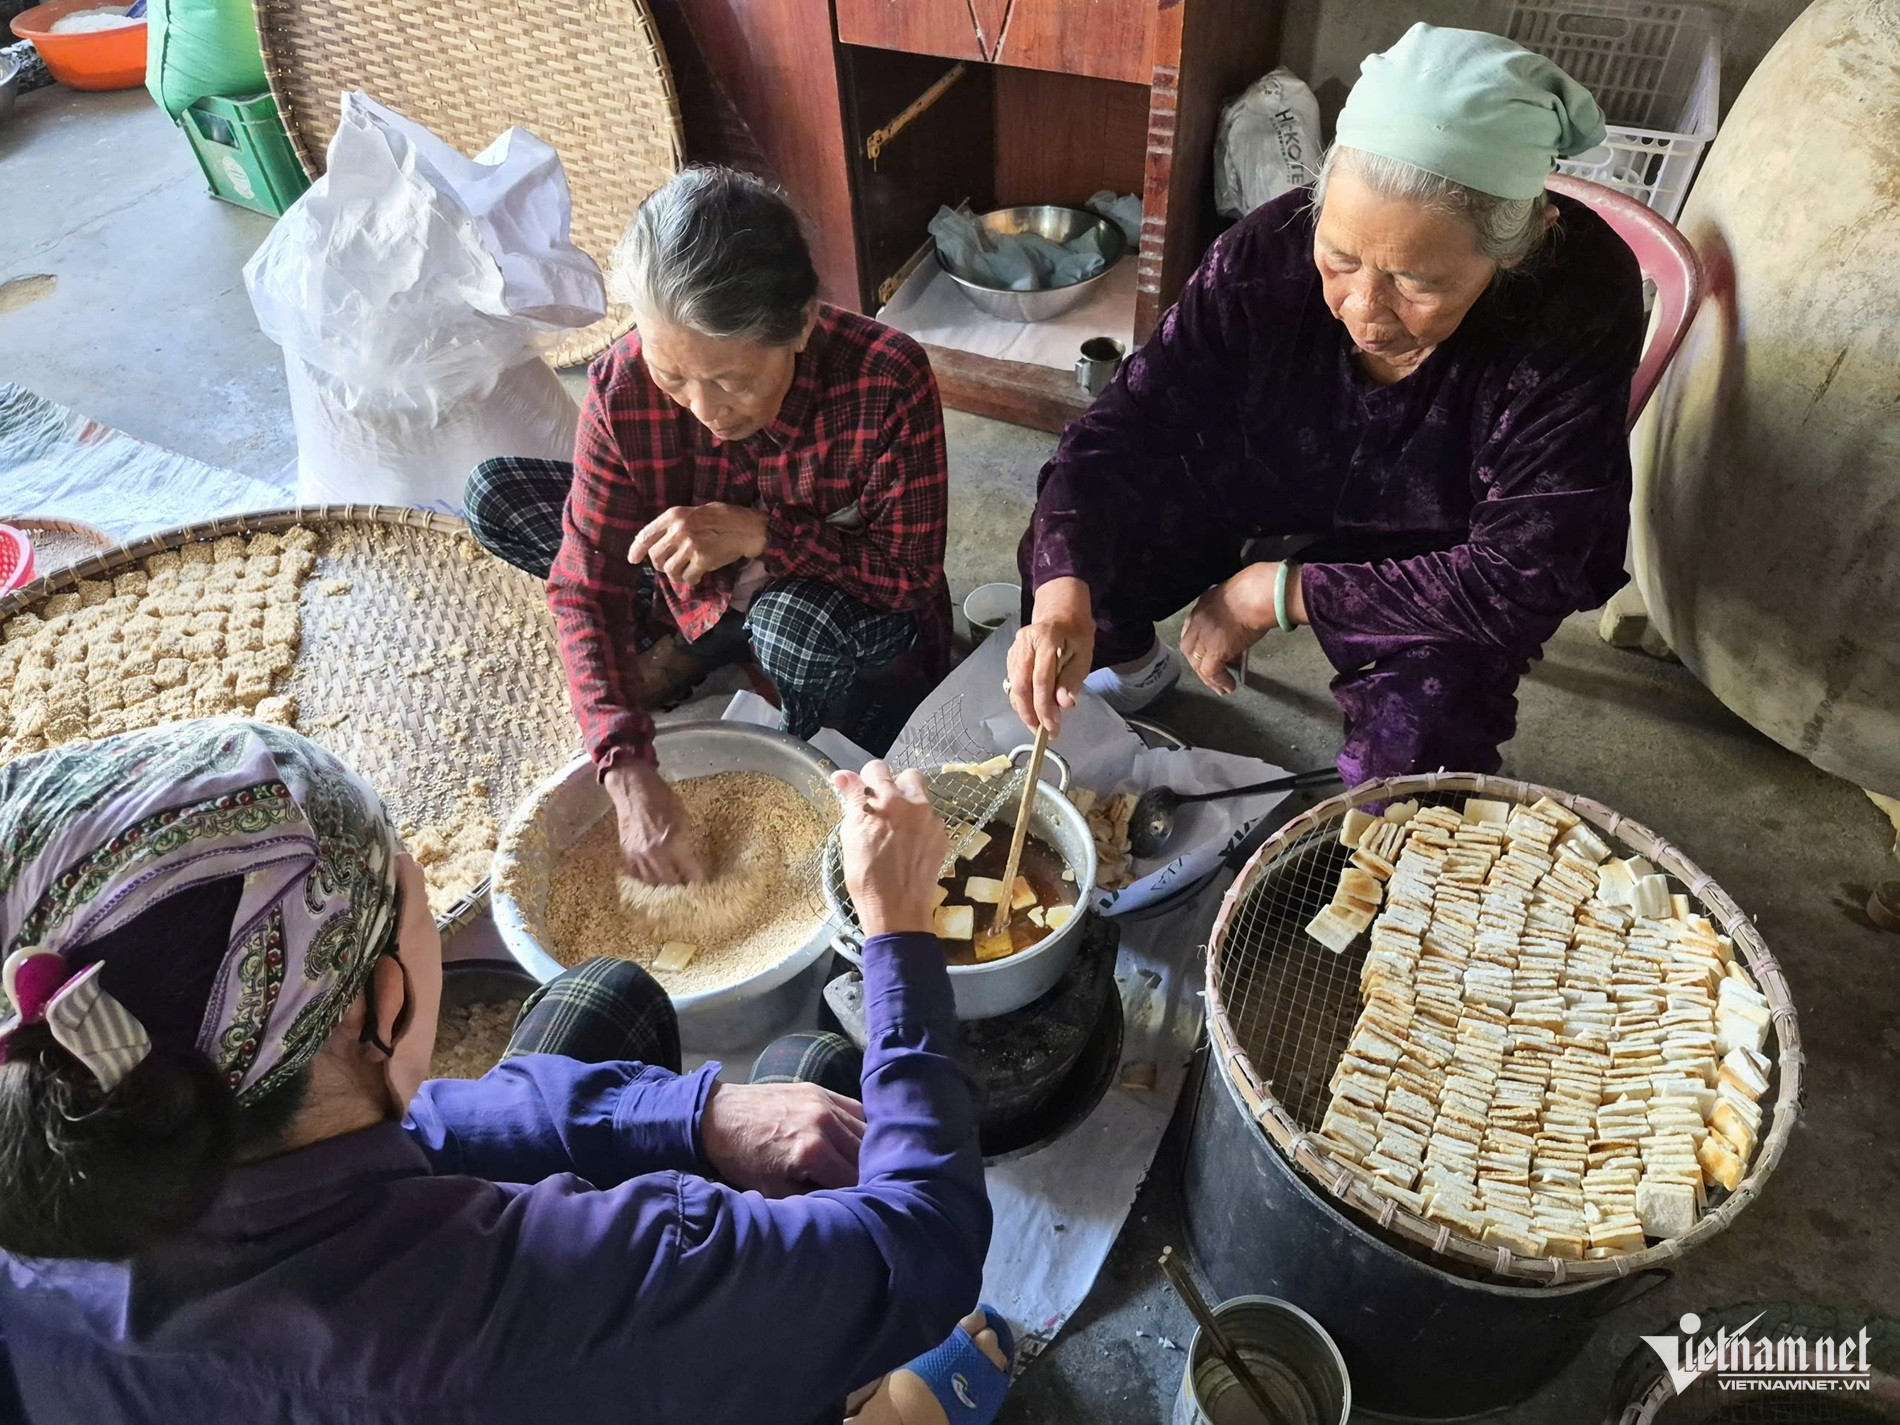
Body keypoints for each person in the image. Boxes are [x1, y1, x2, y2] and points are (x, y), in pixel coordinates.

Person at [0, 719, 1012, 1425]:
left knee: (612, 999)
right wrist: (897, 930)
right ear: (383, 1004)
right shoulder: (563, 1293)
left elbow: (409, 1132)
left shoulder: (79, 1161)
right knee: (821, 1064)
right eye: (419, 894)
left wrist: (697, 1116)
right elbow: (924, 1244)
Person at [1009, 25, 1644, 784]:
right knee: (1071, 553)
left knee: (1422, 744)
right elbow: (1122, 431)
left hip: (1441, 537)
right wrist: (1059, 601)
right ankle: (1135, 665)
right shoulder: (1266, 255)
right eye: (1340, 257)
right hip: (1277, 469)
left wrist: (1273, 593)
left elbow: (1522, 572)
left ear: (1522, 246)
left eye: (1418, 282)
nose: (1363, 308)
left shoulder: (1577, 297)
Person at [465, 165, 952, 886]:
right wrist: (625, 768)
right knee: (495, 495)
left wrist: (765, 533)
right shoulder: (622, 384)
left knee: (794, 632)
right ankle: (693, 645)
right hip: (689, 587)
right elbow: (585, 584)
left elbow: (908, 574)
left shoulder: (886, 378)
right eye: (674, 378)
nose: (705, 410)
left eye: (732, 381)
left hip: (819, 597)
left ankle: (757, 690)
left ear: (803, 326)